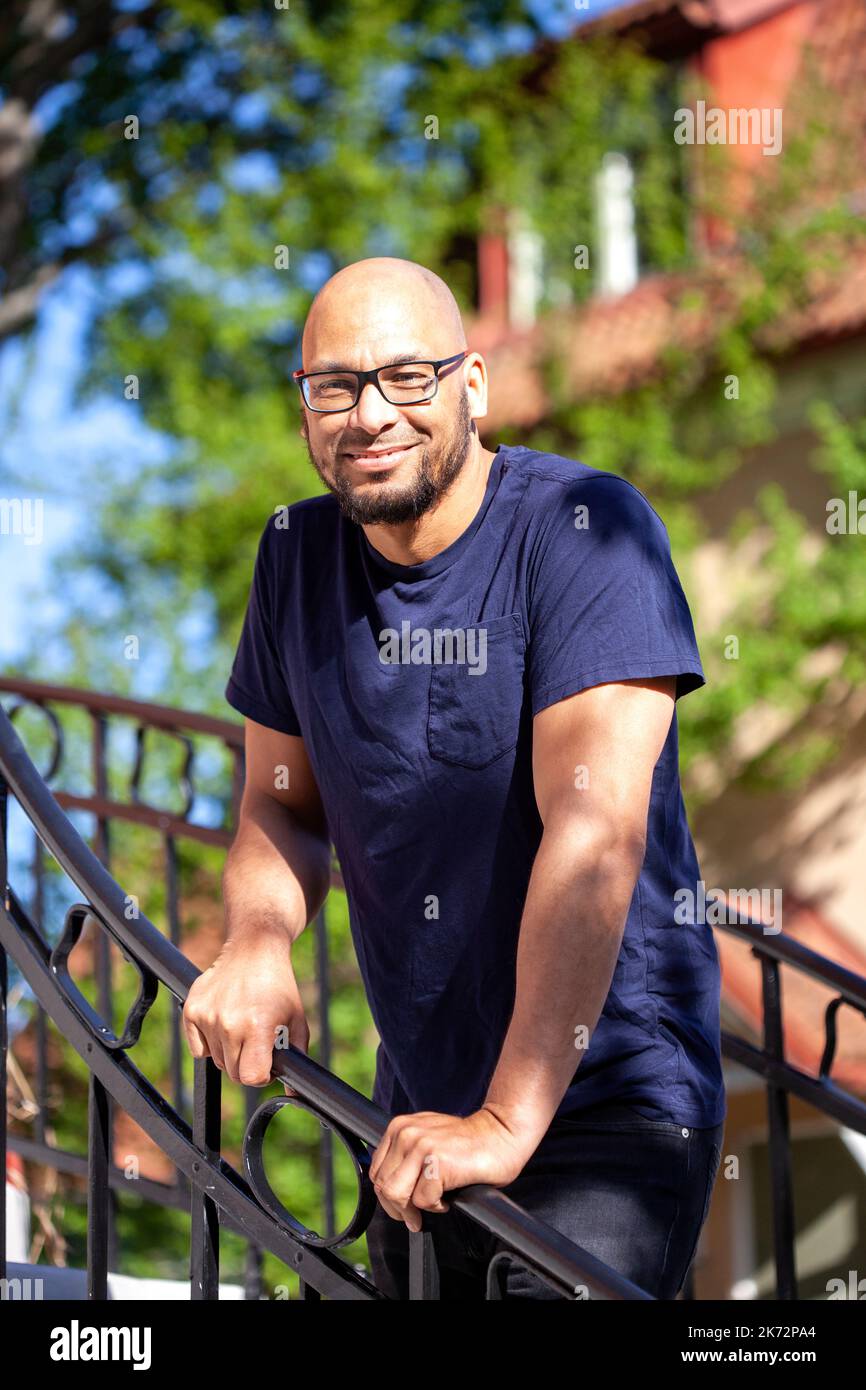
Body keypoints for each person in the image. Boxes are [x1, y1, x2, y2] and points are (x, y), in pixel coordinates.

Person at [182, 256, 726, 1300]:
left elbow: (594, 834)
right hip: (420, 1119)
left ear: (471, 385)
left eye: (405, 376)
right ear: (303, 409)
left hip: (604, 1107)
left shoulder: (586, 533)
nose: (369, 413)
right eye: (332, 385)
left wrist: (507, 1118)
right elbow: (279, 803)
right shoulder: (294, 556)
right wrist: (255, 939)